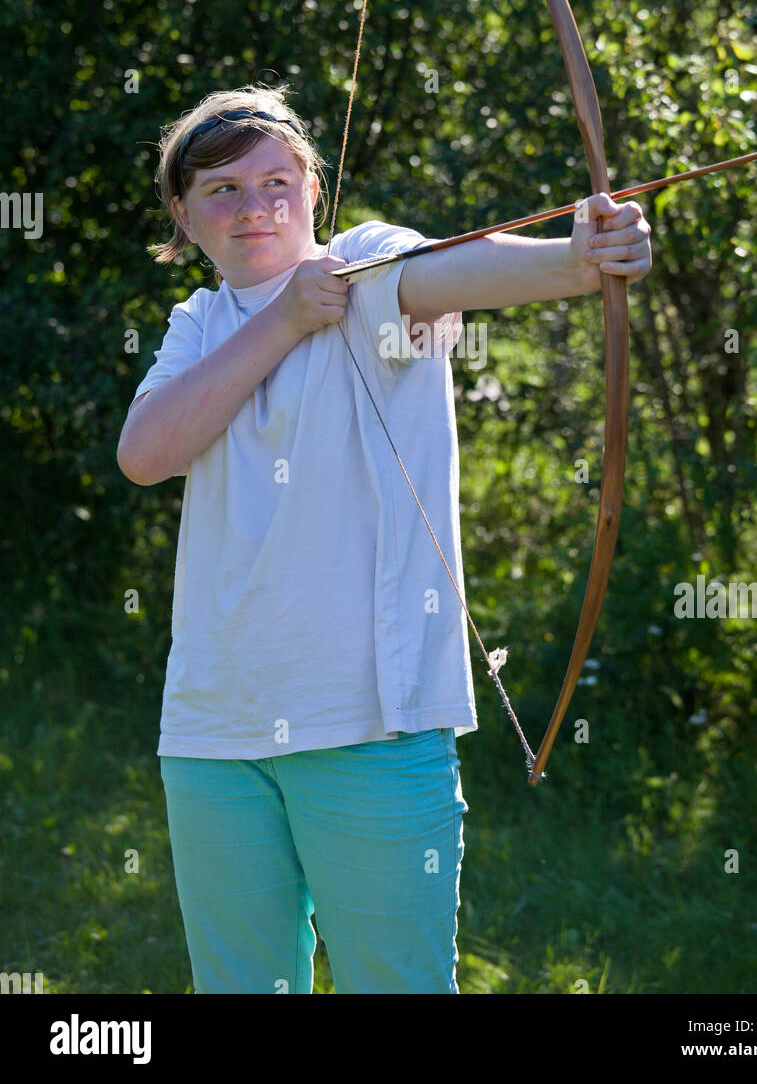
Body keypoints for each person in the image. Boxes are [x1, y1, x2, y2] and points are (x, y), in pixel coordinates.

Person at [116, 82, 652, 994]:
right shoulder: (197, 326)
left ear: (313, 189)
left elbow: (455, 271)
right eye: (225, 190)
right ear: (182, 211)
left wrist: (577, 256)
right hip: (213, 728)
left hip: (369, 721)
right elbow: (146, 453)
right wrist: (286, 320)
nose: (258, 206)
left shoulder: (367, 272)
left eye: (278, 181)